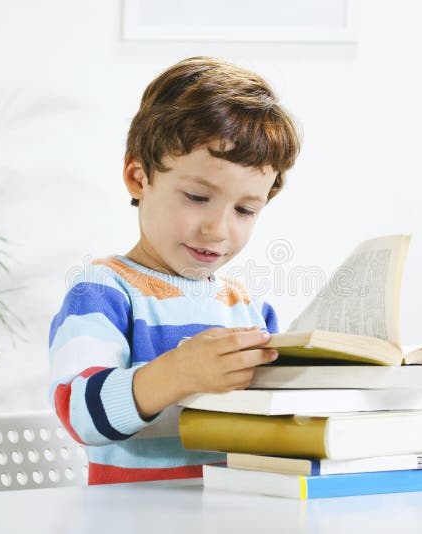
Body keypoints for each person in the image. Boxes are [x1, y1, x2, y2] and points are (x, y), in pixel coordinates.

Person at [48, 56, 300, 485]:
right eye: (198, 197)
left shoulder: (251, 311)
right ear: (138, 177)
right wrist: (179, 374)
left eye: (244, 210)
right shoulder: (103, 292)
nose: (217, 229)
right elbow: (81, 414)